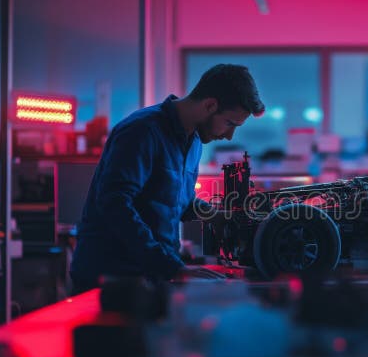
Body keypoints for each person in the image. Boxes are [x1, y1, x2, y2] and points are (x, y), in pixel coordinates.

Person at [70, 64, 264, 293]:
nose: (229, 135)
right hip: (112, 279)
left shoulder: (193, 142)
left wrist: (216, 216)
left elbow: (174, 200)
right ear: (210, 105)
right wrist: (171, 268)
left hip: (150, 276)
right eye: (230, 124)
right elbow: (115, 203)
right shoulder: (142, 131)